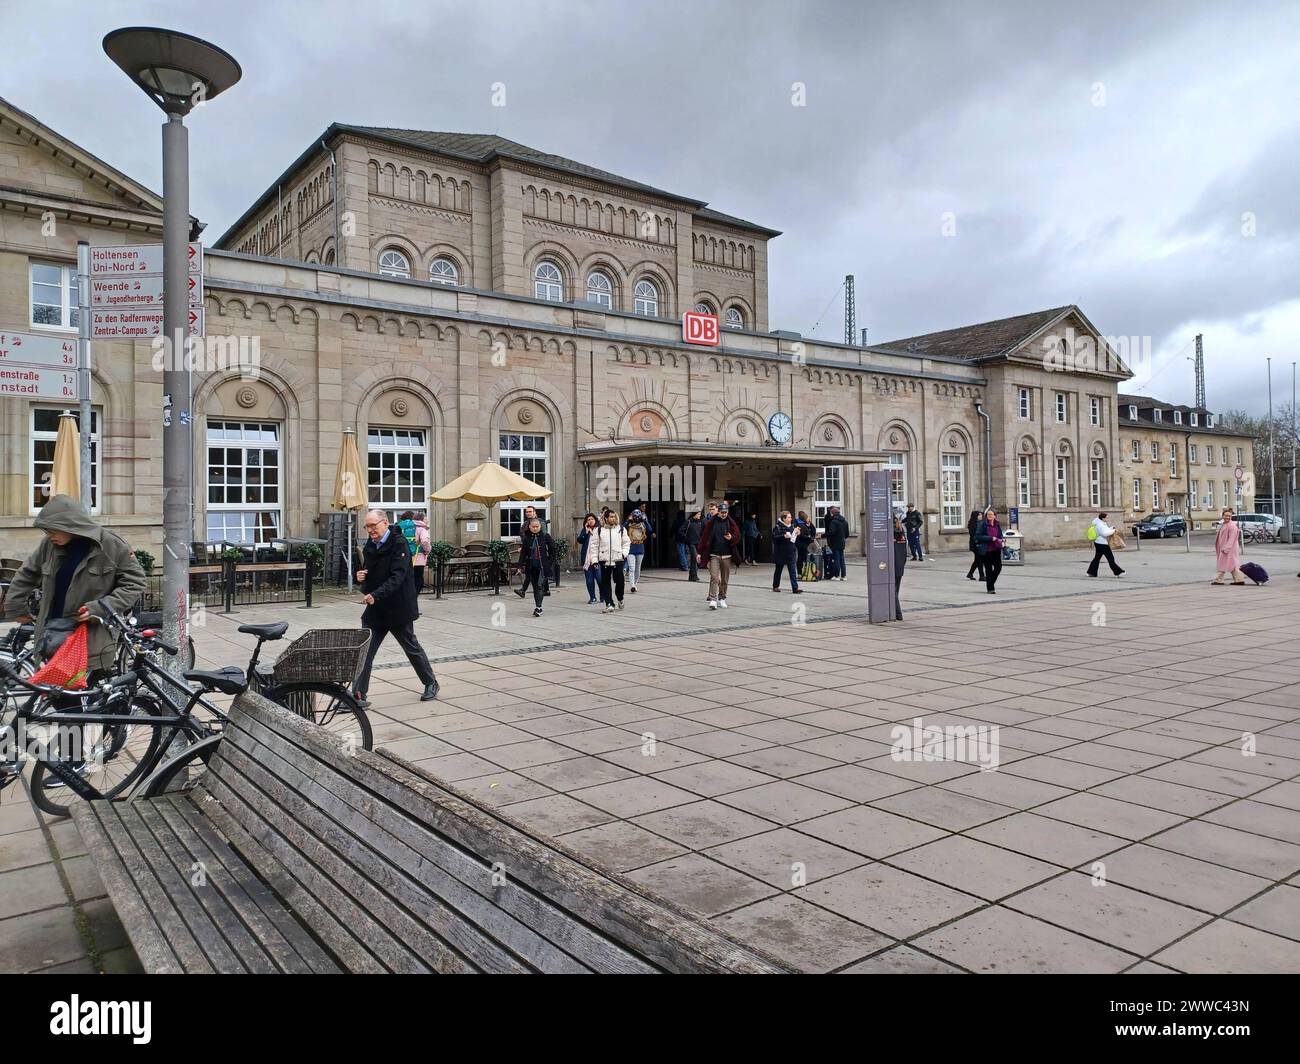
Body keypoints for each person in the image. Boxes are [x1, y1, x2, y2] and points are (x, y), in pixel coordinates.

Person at [3, 495, 147, 676]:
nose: (49, 535)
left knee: (82, 697)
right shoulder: (48, 546)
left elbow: (135, 582)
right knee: (58, 695)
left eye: (53, 530)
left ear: (70, 525)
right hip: (53, 634)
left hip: (91, 639)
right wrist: (16, 606)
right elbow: (27, 573)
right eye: (46, 531)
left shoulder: (111, 545)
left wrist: (101, 608)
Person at [353, 509, 439, 706]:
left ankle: (431, 683)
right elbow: (369, 573)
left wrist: (376, 594)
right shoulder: (370, 544)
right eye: (367, 526)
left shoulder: (399, 543)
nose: (370, 530)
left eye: (373, 526)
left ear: (385, 523)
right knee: (365, 652)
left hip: (398, 607)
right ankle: (358, 695)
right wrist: (360, 578)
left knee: (411, 648)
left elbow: (398, 576)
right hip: (376, 609)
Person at [698, 501, 742, 609]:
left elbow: (738, 536)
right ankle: (713, 599)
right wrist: (699, 552)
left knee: (725, 578)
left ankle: (722, 598)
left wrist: (731, 537)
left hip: (727, 555)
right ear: (718, 512)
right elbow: (705, 537)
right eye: (722, 512)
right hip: (714, 554)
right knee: (714, 577)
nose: (723, 514)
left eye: (725, 512)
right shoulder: (712, 523)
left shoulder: (731, 523)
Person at [587, 509, 630, 613]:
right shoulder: (599, 530)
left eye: (614, 516)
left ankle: (620, 597)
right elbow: (594, 546)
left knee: (620, 582)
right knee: (605, 583)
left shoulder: (621, 529)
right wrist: (595, 560)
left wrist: (623, 554)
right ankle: (609, 603)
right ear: (606, 518)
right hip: (604, 560)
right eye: (611, 517)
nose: (613, 518)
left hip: (618, 559)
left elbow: (626, 543)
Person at [521, 517, 556, 616]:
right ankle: (538, 605)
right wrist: (520, 565)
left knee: (540, 586)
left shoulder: (545, 536)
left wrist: (549, 562)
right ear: (530, 527)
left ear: (540, 527)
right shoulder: (527, 538)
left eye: (537, 526)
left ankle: (539, 607)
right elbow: (523, 553)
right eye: (533, 527)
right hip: (532, 566)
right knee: (536, 587)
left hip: (543, 566)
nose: (535, 528)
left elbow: (553, 549)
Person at [398, 510, 432, 596]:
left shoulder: (404, 528)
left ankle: (406, 598)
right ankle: (412, 600)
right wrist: (427, 550)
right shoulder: (421, 529)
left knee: (407, 580)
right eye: (426, 518)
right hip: (418, 558)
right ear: (422, 519)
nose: (427, 520)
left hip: (404, 558)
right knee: (418, 581)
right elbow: (424, 542)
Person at [1212, 508, 1246, 585]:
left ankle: (1218, 580)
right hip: (1225, 548)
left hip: (1229, 548)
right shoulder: (1224, 524)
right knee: (1232, 565)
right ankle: (1239, 580)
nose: (1227, 517)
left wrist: (1226, 548)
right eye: (1226, 516)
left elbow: (1232, 538)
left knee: (1222, 564)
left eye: (1229, 516)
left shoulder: (1232, 526)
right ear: (1223, 516)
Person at [974, 507, 1004, 594]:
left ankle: (990, 582)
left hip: (996, 549)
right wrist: (990, 538)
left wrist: (1002, 539)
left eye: (991, 514)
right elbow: (978, 536)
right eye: (988, 514)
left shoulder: (997, 524)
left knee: (998, 567)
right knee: (988, 569)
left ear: (995, 516)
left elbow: (1000, 535)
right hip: (986, 550)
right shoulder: (982, 524)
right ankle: (990, 588)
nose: (989, 516)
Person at [1086, 511, 1125, 578]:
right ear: (1103, 518)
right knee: (1110, 558)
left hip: (1099, 543)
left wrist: (1111, 528)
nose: (1107, 519)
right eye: (1106, 517)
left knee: (1097, 558)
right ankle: (1118, 572)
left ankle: (1091, 572)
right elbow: (1104, 533)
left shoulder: (1101, 523)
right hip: (1102, 544)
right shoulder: (1100, 525)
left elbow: (1106, 530)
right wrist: (1113, 531)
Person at [771, 510, 802, 593]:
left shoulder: (792, 527)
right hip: (781, 552)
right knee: (778, 570)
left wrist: (797, 533)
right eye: (788, 517)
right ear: (783, 518)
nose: (790, 519)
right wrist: (783, 536)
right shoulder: (777, 527)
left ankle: (795, 588)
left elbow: (794, 539)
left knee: (792, 571)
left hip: (791, 551)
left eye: (790, 517)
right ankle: (775, 586)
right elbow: (774, 539)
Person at [625, 508, 652, 592]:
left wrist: (645, 521)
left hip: (640, 547)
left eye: (638, 517)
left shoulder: (642, 524)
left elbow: (650, 530)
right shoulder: (629, 524)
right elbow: (622, 529)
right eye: (635, 516)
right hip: (631, 548)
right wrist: (628, 521)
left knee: (638, 568)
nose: (636, 518)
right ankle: (632, 585)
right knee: (632, 568)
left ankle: (635, 584)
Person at [576, 513, 600, 603]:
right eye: (588, 520)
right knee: (589, 579)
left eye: (592, 519)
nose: (590, 521)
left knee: (599, 578)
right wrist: (586, 532)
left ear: (595, 520)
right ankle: (592, 597)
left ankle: (602, 595)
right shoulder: (585, 530)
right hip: (587, 559)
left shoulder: (600, 529)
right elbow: (580, 540)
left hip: (597, 558)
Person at [824, 505, 849, 580]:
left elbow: (831, 532)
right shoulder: (845, 521)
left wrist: (822, 535)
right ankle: (844, 576)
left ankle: (837, 575)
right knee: (842, 559)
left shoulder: (834, 522)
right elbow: (847, 534)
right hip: (842, 542)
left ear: (833, 513)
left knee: (836, 559)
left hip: (835, 543)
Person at [893, 514, 908, 620]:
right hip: (900, 566)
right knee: (895, 591)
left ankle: (898, 614)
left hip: (893, 566)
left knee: (892, 592)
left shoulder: (892, 534)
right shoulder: (902, 533)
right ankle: (895, 613)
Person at [965, 510, 985, 582]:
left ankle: (970, 574)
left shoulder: (981, 523)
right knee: (979, 560)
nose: (981, 516)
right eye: (979, 515)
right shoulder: (972, 524)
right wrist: (977, 542)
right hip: (975, 544)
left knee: (977, 560)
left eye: (981, 515)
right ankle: (981, 576)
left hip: (979, 543)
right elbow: (973, 535)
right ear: (975, 516)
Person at [685, 509, 703, 582]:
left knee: (693, 560)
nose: (699, 515)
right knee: (696, 558)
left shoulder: (700, 523)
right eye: (698, 514)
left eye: (700, 514)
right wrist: (687, 539)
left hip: (698, 543)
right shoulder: (689, 522)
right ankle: (694, 576)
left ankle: (692, 577)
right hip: (691, 543)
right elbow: (681, 531)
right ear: (694, 514)